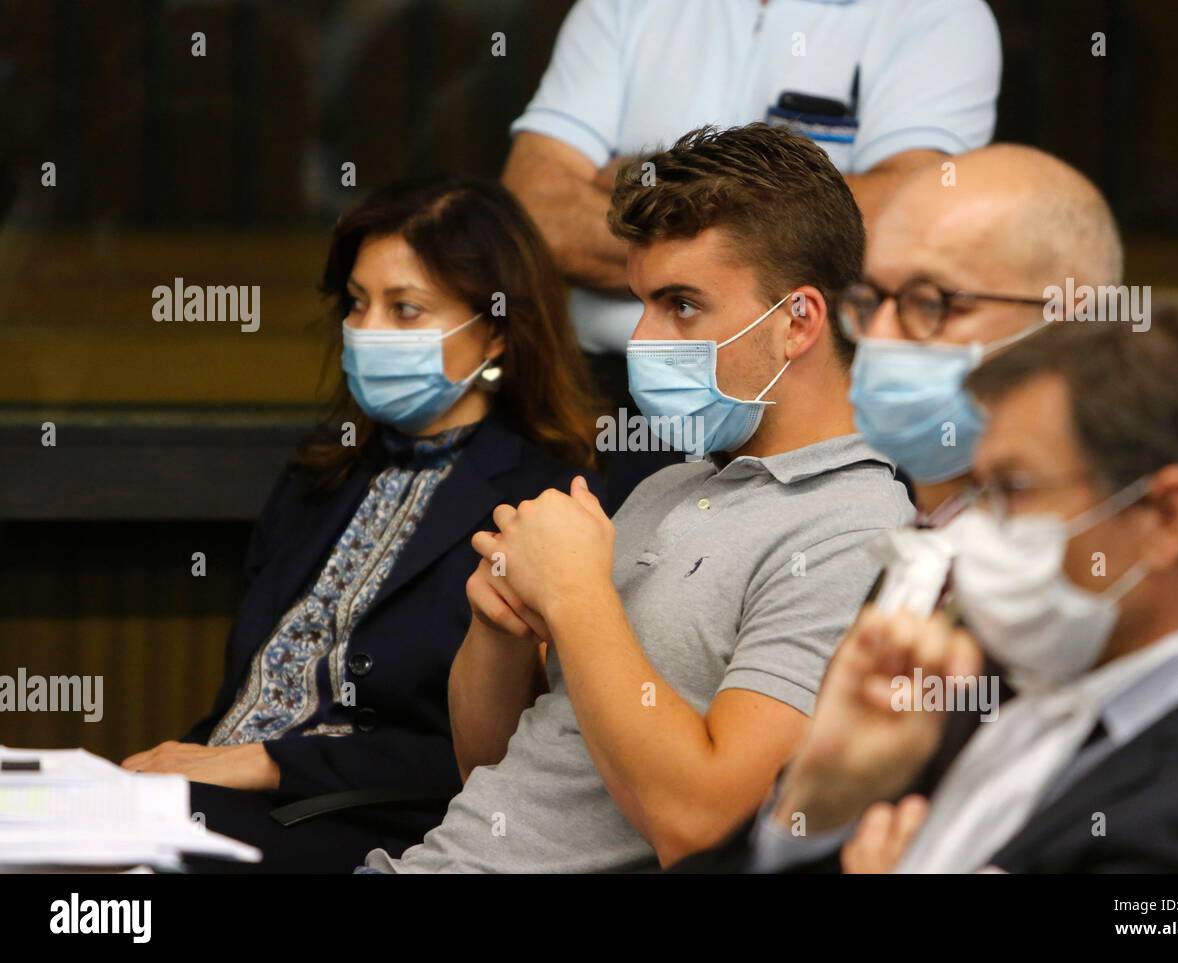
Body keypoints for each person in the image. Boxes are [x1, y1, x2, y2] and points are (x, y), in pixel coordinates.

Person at [364, 123, 913, 873]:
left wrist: (576, 593)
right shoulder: (667, 487)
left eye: (681, 304)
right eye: (641, 304)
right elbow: (498, 771)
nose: (643, 338)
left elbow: (701, 826)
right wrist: (502, 630)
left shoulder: (855, 532)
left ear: (799, 320)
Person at [679, 292, 1178, 873]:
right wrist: (811, 809)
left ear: (1165, 516)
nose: (974, 527)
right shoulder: (980, 687)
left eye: (1012, 490)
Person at [120, 176, 603, 873]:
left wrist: (269, 762)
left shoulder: (544, 499)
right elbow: (252, 696)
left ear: (495, 331)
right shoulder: (323, 475)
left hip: (373, 825)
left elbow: (509, 754)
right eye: (356, 303)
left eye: (406, 310)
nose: (368, 331)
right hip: (216, 798)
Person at [503, 0, 1002, 507]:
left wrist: (635, 180)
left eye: (680, 299)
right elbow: (534, 209)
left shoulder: (937, 13)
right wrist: (760, 220)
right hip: (598, 406)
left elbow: (902, 222)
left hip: (801, 408)